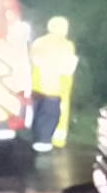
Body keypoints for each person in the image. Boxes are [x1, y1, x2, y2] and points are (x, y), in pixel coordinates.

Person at [29, 16, 79, 152]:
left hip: (36, 86)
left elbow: (33, 60)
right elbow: (68, 68)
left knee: (38, 113)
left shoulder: (38, 42)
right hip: (55, 87)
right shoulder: (67, 45)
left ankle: (36, 138)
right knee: (50, 115)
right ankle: (45, 141)